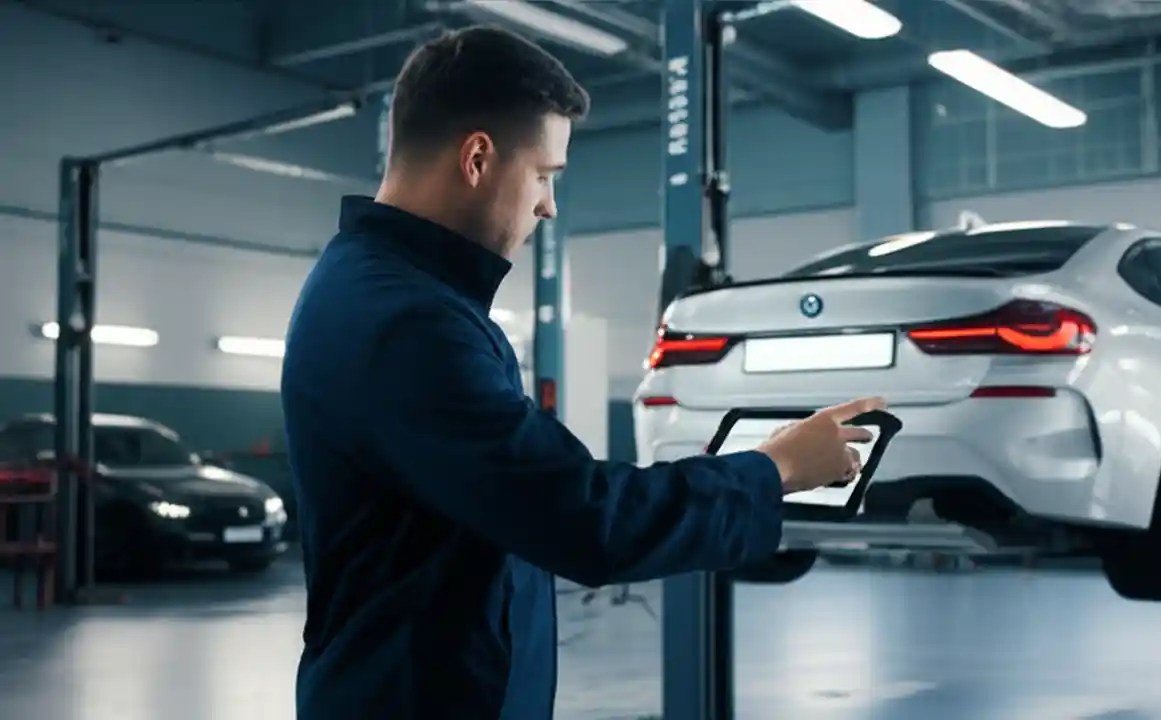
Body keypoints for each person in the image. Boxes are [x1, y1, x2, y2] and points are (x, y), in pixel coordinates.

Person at [280, 24, 886, 720]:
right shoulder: (405, 323)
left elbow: (515, 512)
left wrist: (770, 510)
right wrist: (772, 471)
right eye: (543, 174)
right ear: (477, 157)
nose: (549, 204)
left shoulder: (393, 292)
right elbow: (578, 516)